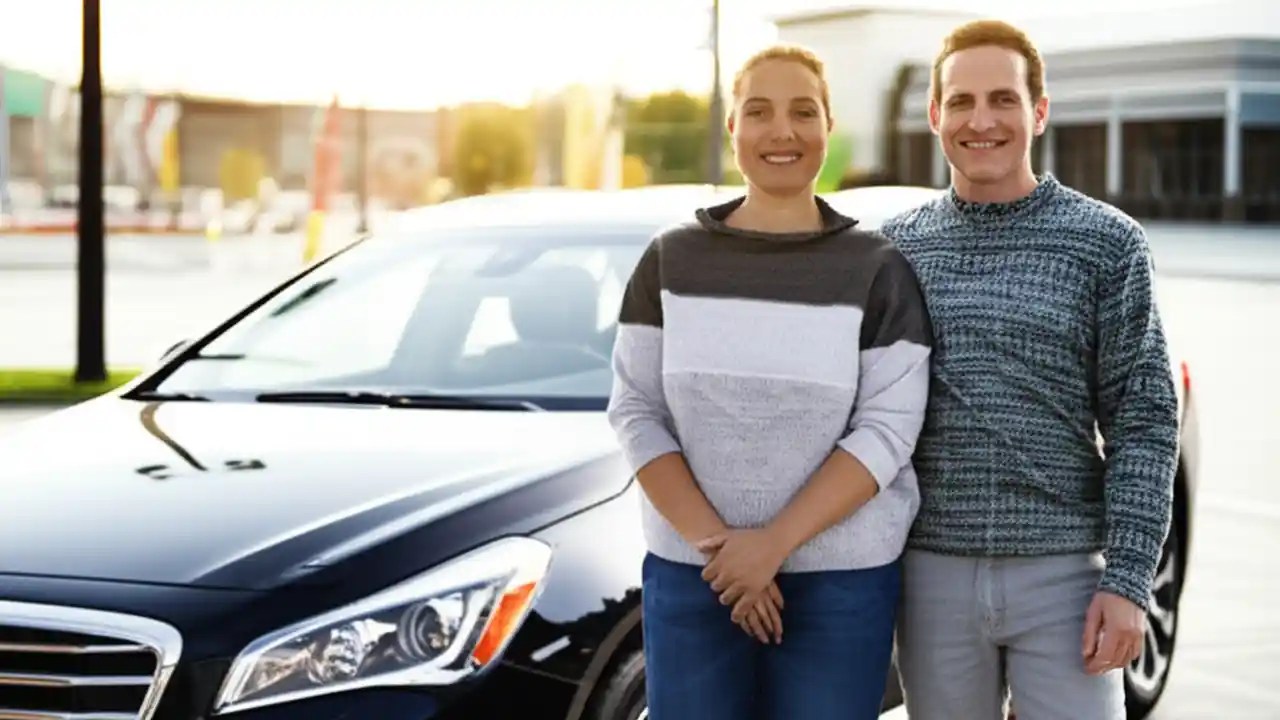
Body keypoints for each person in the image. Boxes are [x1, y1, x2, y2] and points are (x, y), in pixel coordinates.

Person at [605, 44, 932, 720]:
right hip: (696, 580)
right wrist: (726, 556)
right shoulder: (670, 259)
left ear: (828, 128)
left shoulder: (879, 269)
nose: (781, 132)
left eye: (802, 112)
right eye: (758, 111)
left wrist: (772, 546)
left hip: (841, 586)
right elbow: (637, 411)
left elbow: (888, 428)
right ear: (732, 129)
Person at [879, 19, 1181, 720]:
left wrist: (1130, 581)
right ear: (935, 115)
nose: (981, 120)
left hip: (1067, 581)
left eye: (1003, 100)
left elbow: (1144, 420)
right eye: (961, 101)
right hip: (931, 578)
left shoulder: (1106, 244)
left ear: (1038, 111)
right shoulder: (894, 251)